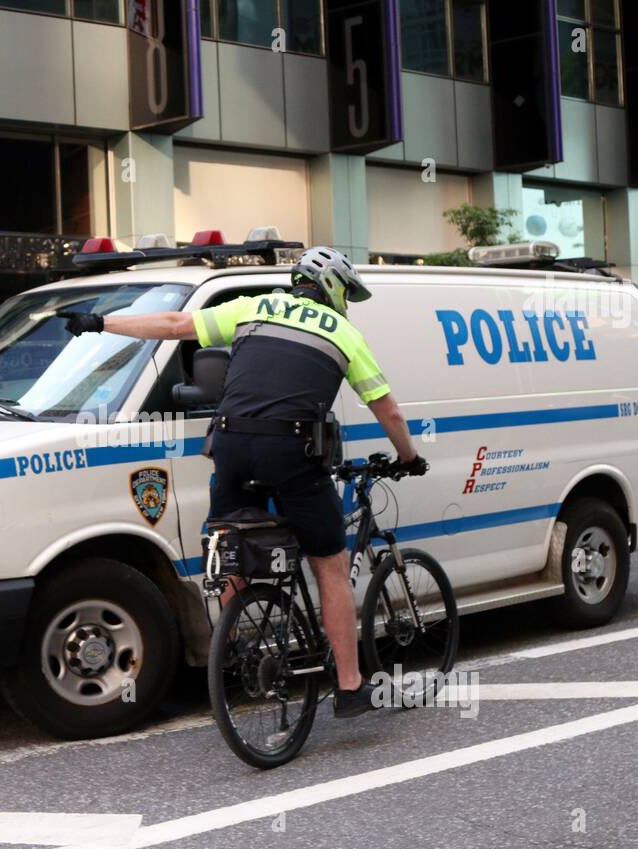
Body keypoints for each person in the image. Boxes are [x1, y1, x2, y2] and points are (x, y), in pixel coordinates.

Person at [60, 245, 426, 718]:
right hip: (292, 452)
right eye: (347, 293)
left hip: (230, 446)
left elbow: (174, 326)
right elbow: (388, 409)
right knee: (330, 566)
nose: (348, 303)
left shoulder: (253, 305)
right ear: (333, 286)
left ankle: (230, 646)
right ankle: (351, 687)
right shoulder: (345, 333)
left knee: (231, 537)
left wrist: (99, 324)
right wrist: (409, 456)